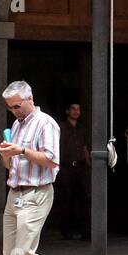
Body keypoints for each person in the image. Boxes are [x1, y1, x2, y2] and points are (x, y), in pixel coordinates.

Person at [0, 81, 74, 255]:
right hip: (14, 194)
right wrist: (7, 155)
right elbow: (10, 166)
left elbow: (51, 160)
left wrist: (22, 150)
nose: (14, 111)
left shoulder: (45, 123)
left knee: (25, 254)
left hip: (36, 194)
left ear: (30, 98)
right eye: (10, 108)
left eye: (17, 106)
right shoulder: (17, 126)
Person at [54, 101, 90, 239]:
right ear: (67, 111)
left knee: (84, 199)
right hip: (65, 166)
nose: (76, 111)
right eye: (73, 109)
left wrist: (88, 164)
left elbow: (84, 147)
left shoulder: (82, 129)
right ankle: (66, 231)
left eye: (78, 109)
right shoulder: (61, 128)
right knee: (66, 199)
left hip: (80, 167)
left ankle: (85, 231)